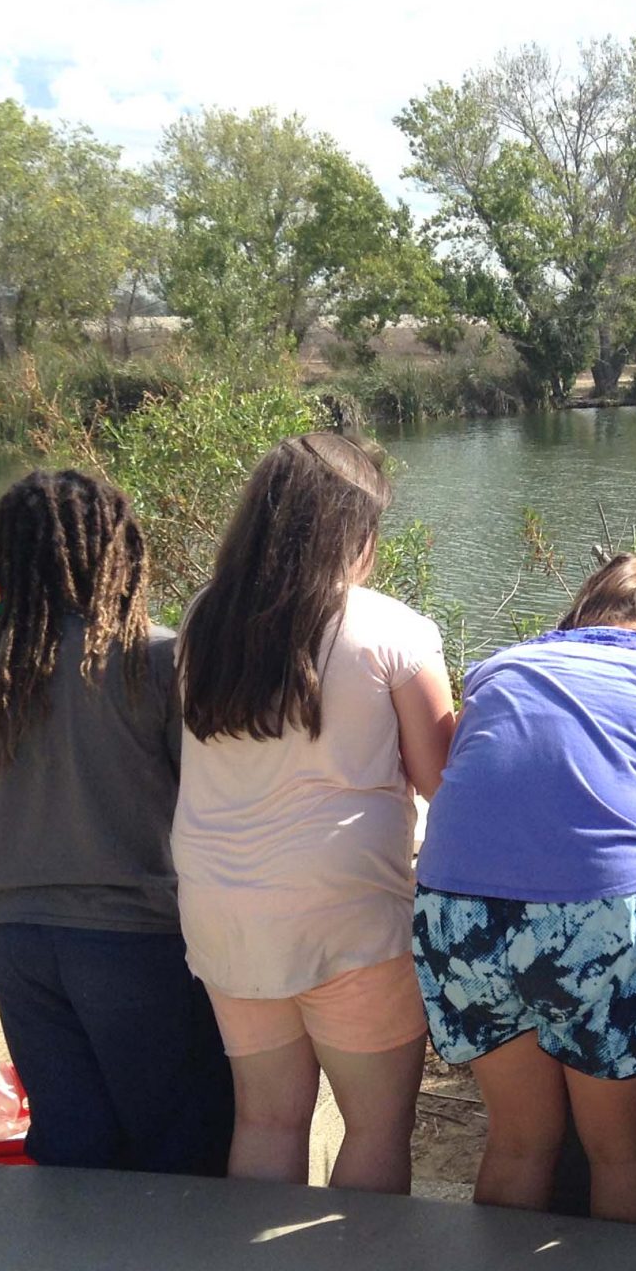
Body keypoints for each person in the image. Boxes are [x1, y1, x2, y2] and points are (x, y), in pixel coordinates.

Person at [413, 554, 636, 1225]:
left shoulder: (502, 666)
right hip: (594, 916)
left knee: (517, 1141)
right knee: (620, 1154)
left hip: (452, 905)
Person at [172, 433, 454, 1191]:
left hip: (222, 905)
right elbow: (441, 780)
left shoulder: (204, 620)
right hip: (347, 910)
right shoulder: (393, 630)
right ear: (353, 532)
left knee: (266, 1118)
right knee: (375, 1123)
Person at [0, 470, 233, 1175]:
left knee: (73, 1152)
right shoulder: (154, 658)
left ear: (4, 560)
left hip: (16, 940)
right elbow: (208, 796)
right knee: (182, 1143)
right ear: (114, 553)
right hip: (135, 937)